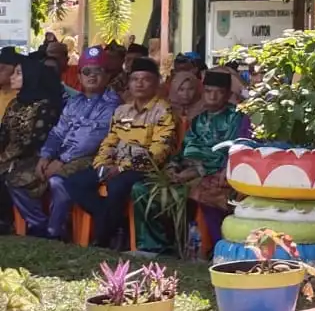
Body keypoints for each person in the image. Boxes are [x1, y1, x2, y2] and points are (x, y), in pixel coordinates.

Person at [64, 57, 176, 249]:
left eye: (145, 79)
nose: (139, 84)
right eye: (134, 79)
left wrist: (122, 168)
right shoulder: (122, 111)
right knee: (74, 182)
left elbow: (159, 150)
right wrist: (102, 164)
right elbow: (110, 140)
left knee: (117, 186)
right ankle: (111, 220)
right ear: (129, 83)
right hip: (113, 165)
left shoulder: (163, 111)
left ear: (157, 82)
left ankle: (102, 238)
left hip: (143, 167)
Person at [13, 46, 121, 238]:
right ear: (79, 76)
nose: (92, 76)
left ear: (107, 76)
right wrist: (46, 156)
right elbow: (57, 132)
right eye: (87, 71)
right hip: (61, 156)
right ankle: (39, 224)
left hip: (91, 158)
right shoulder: (74, 102)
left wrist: (61, 160)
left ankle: (55, 231)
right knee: (16, 179)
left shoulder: (112, 104)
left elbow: (90, 140)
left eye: (99, 72)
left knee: (57, 181)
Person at [162, 71, 252, 248]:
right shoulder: (198, 120)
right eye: (209, 91)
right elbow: (185, 149)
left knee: (205, 191)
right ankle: (173, 246)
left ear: (227, 95)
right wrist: (174, 167)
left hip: (219, 172)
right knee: (159, 191)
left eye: (218, 92)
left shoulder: (235, 117)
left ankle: (221, 245)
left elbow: (228, 151)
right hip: (192, 172)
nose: (213, 96)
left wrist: (197, 170)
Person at [0, 56, 64, 229]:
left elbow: (36, 140)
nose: (12, 77)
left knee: (13, 177)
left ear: (31, 76)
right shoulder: (16, 103)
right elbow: (3, 133)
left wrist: (7, 158)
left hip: (36, 157)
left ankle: (37, 224)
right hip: (12, 156)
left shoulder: (45, 105)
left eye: (18, 73)